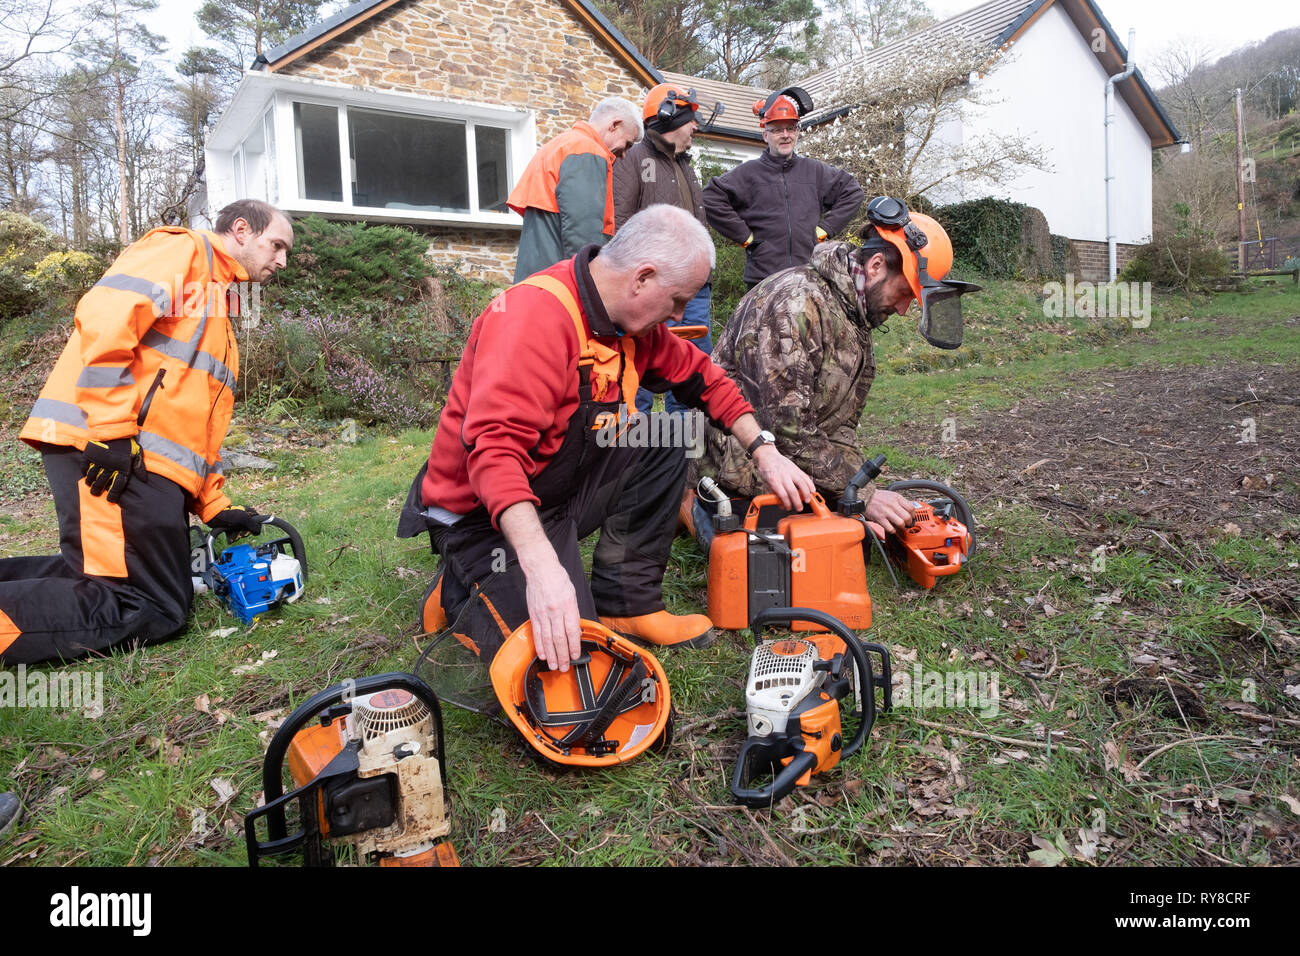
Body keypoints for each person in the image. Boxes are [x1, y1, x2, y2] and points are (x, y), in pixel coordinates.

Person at [399, 205, 815, 673]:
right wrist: (542, 571)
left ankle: (628, 603)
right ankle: (463, 585)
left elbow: (704, 377)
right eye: (678, 300)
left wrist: (765, 451)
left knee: (667, 434)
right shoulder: (532, 317)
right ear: (643, 278)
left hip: (554, 493)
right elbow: (495, 454)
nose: (680, 314)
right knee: (565, 673)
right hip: (484, 516)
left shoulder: (628, 323)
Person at [0, 199, 294, 665]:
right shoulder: (185, 253)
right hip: (106, 449)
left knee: (125, 576)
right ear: (241, 229)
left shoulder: (216, 303)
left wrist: (213, 506)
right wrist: (111, 430)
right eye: (276, 245)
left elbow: (193, 427)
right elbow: (105, 318)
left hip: (137, 457)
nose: (281, 260)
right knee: (152, 604)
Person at [693, 198, 979, 543]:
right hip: (735, 457)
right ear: (875, 266)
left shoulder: (854, 316)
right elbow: (787, 428)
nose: (904, 310)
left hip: (791, 452)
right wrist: (866, 498)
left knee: (855, 528)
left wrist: (859, 491)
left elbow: (840, 428)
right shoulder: (796, 304)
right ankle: (696, 508)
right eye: (904, 293)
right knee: (810, 542)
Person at [612, 84, 713, 415]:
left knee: (690, 367)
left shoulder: (684, 163)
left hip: (692, 289)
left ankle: (686, 450)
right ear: (671, 119)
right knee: (637, 367)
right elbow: (620, 225)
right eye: (691, 120)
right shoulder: (634, 159)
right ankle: (633, 449)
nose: (696, 128)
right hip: (649, 289)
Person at [703, 87, 864, 289]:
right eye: (777, 129)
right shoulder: (748, 174)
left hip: (807, 278)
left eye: (791, 128)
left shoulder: (814, 171)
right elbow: (710, 197)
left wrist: (825, 229)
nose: (785, 135)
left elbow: (853, 191)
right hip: (763, 281)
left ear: (797, 132)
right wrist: (745, 236)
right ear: (765, 135)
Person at [507, 97, 643, 282]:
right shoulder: (588, 150)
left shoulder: (562, 144)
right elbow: (582, 232)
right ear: (615, 125)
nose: (625, 155)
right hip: (560, 283)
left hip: (539, 277)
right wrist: (588, 284)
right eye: (627, 143)